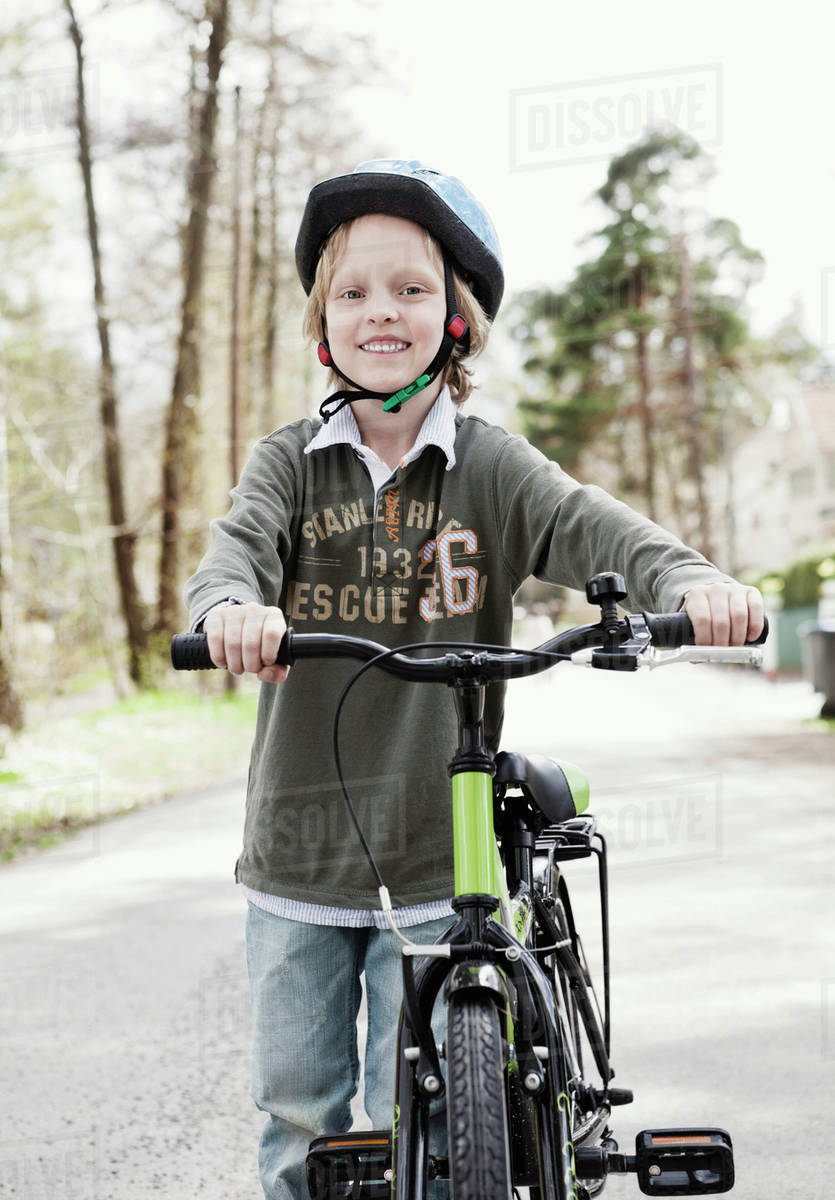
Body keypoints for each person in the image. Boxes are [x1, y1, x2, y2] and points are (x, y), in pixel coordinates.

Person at [184, 159, 764, 1200]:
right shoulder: (290, 465)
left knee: (439, 1120)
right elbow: (232, 554)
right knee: (301, 1119)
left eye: (410, 289)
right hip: (299, 856)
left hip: (434, 861)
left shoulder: (490, 467)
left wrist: (691, 578)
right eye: (353, 291)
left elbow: (598, 525)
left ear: (455, 318)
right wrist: (228, 611)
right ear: (323, 323)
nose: (381, 313)